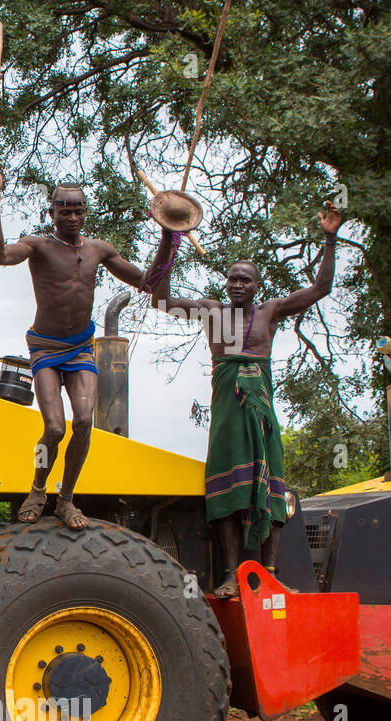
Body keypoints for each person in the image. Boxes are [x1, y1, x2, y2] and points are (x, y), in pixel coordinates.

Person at [149, 201, 342, 596]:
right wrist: (170, 238)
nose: (237, 285)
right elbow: (161, 300)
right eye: (233, 279)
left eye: (245, 281)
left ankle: (268, 572)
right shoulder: (211, 311)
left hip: (261, 413)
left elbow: (322, 288)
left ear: (258, 286)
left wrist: (329, 238)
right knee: (226, 493)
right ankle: (230, 576)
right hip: (226, 413)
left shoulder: (271, 312)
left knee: (271, 489)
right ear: (226, 283)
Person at [0, 172, 171, 528]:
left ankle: (66, 498)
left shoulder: (98, 250)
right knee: (54, 428)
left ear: (86, 213)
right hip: (44, 348)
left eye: (78, 211)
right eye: (64, 211)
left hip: (81, 348)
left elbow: (149, 282)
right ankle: (38, 488)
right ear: (51, 212)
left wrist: (166, 234)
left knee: (84, 421)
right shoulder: (37, 245)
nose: (71, 217)